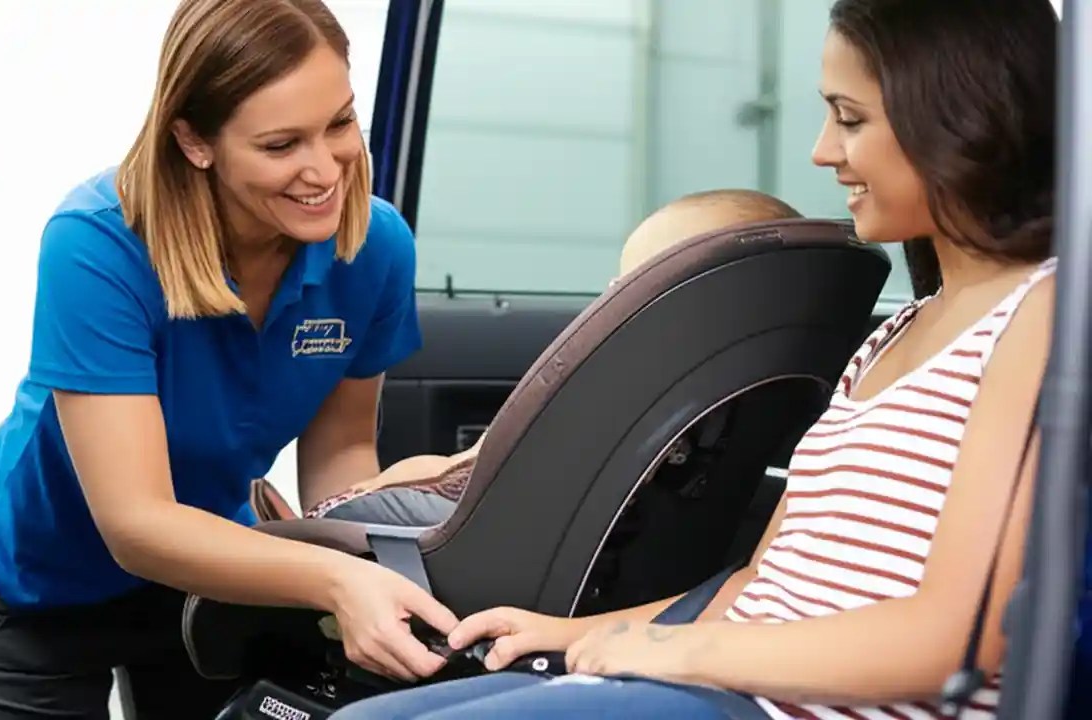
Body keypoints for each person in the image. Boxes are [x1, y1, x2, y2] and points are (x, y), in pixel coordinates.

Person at [333, 0, 1058, 717]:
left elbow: (962, 637)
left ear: (960, 118)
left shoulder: (1040, 312)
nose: (822, 151)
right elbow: (762, 584)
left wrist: (670, 654)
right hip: (736, 681)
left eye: (850, 117)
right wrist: (587, 635)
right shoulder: (895, 333)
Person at [0, 1, 460, 718]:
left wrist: (351, 538)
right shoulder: (97, 244)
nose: (326, 169)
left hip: (210, 574)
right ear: (195, 141)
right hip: (39, 580)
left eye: (340, 123)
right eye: (282, 145)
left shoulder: (373, 248)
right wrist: (331, 579)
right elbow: (137, 524)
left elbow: (341, 450)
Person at [252, 189, 805, 527]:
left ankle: (312, 530)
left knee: (405, 488)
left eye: (634, 288)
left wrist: (379, 492)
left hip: (497, 531)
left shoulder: (630, 391)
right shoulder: (735, 401)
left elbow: (486, 472)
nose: (611, 300)